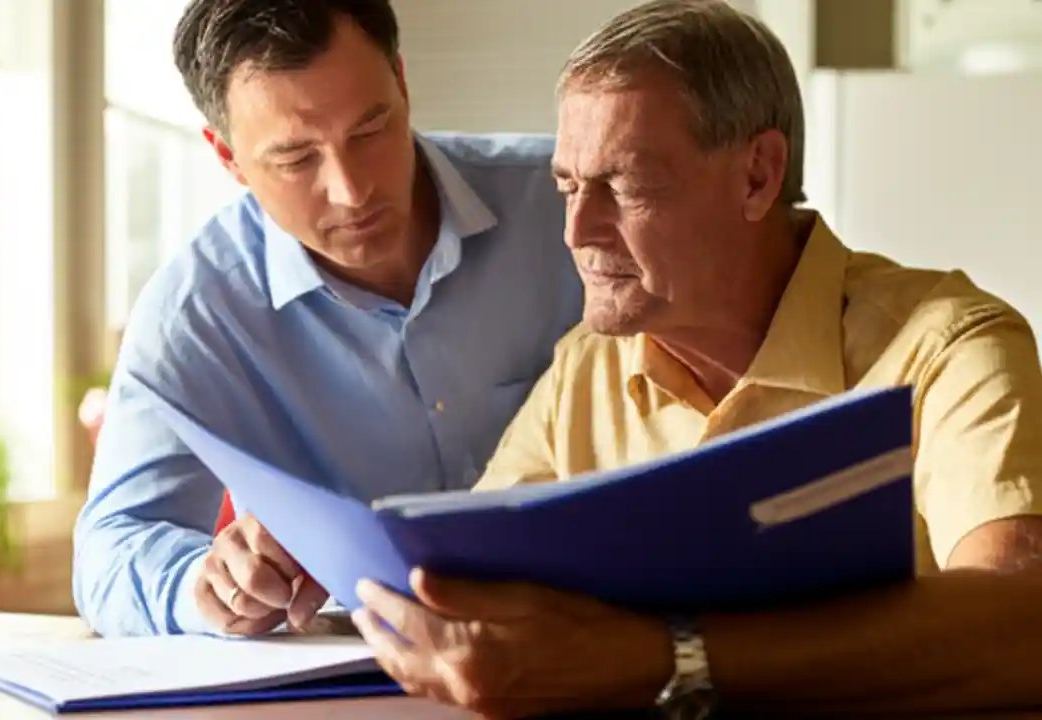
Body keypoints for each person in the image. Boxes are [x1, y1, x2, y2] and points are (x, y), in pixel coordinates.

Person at [351, 1, 1042, 716]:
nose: (576, 231)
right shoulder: (587, 369)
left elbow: (1024, 625)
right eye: (567, 186)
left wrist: (664, 658)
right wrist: (307, 575)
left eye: (624, 185)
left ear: (757, 176)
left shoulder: (949, 348)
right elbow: (463, 600)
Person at [72, 0, 582, 638]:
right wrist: (201, 583)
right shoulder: (193, 317)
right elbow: (111, 547)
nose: (352, 190)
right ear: (227, 157)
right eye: (295, 159)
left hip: (611, 639)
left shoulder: (573, 206)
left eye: (369, 131)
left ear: (401, 81)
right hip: (373, 682)